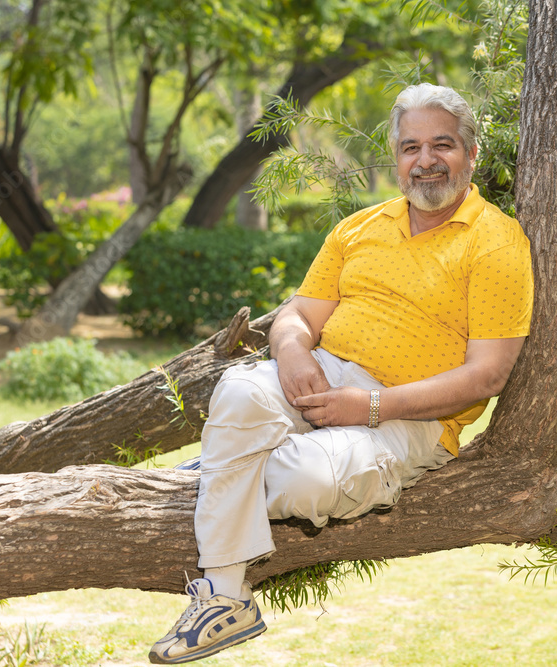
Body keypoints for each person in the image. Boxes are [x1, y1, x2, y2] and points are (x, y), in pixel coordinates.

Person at [149, 82, 534, 664]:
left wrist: (371, 407)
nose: (426, 160)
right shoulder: (360, 227)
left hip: (411, 417)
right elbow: (298, 316)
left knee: (310, 482)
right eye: (411, 147)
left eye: (443, 145)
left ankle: (224, 461)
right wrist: (294, 350)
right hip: (321, 375)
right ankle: (227, 598)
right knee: (239, 390)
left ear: (471, 154)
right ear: (396, 157)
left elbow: (488, 376)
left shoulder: (497, 241)